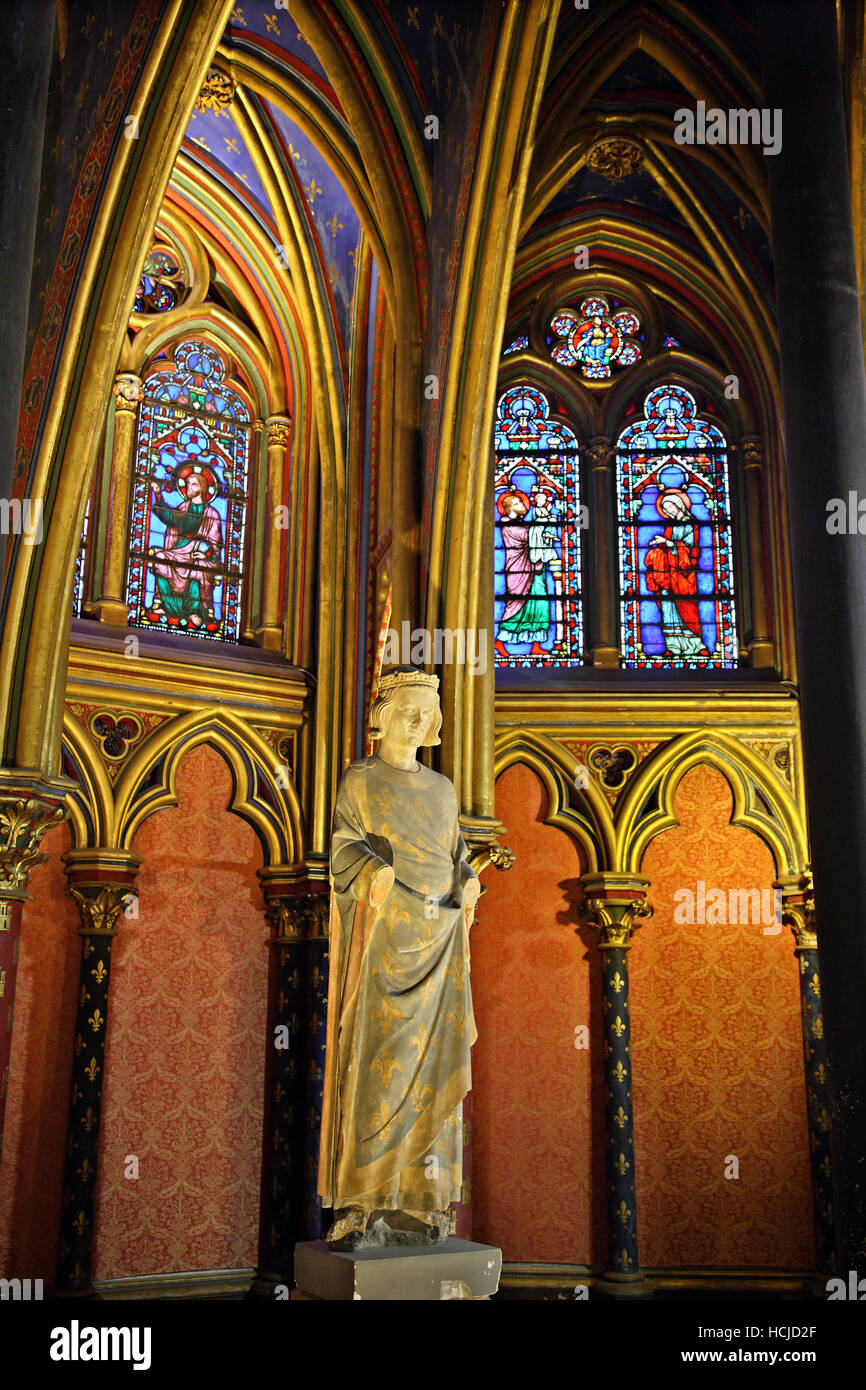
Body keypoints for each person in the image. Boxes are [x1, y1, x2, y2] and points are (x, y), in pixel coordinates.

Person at [319, 668, 481, 1247]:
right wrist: (372, 872)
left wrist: (468, 883)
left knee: (434, 1066)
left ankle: (423, 1203)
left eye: (426, 712)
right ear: (382, 712)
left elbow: (458, 853)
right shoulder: (360, 779)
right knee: (376, 1066)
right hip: (387, 943)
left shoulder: (443, 790)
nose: (417, 720)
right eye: (408, 708)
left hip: (440, 939)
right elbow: (343, 846)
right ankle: (363, 1203)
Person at [147, 467, 223, 629]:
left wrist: (207, 555)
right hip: (179, 550)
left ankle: (194, 610)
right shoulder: (183, 508)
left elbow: (215, 543)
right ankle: (167, 606)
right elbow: (170, 517)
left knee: (198, 568)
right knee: (160, 559)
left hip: (198, 552)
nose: (189, 488)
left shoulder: (212, 514)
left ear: (202, 488)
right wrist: (158, 493)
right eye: (188, 484)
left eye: (194, 485)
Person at [644, 489, 709, 660]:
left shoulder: (691, 524)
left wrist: (667, 543)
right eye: (666, 509)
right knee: (668, 610)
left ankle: (695, 646)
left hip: (683, 575)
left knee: (686, 608)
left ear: (679, 505)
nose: (669, 511)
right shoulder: (670, 527)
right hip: (668, 576)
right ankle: (673, 647)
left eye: (671, 507)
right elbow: (668, 547)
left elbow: (689, 548)